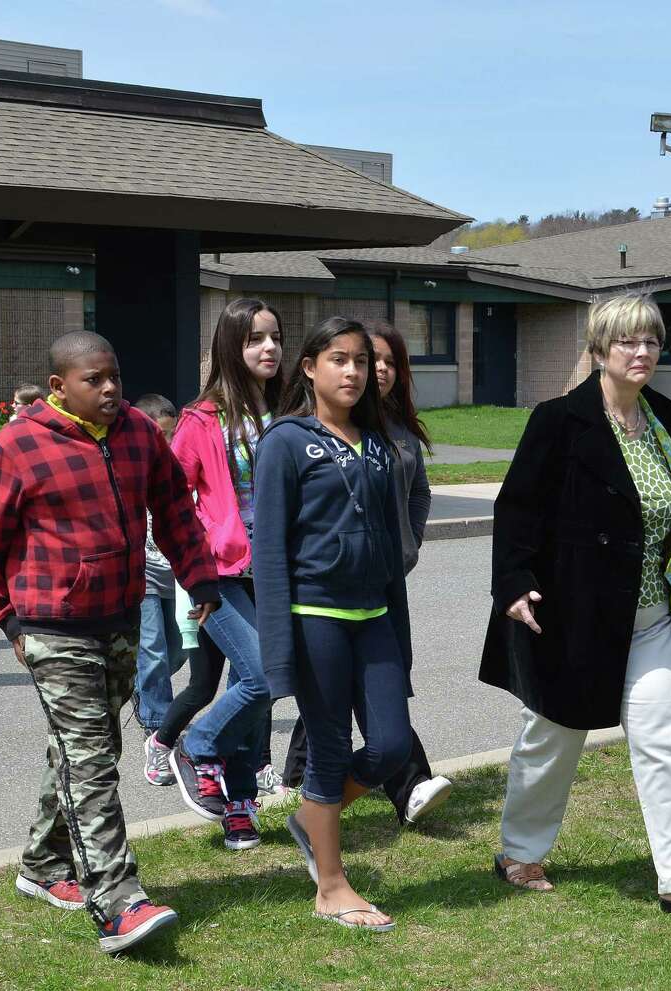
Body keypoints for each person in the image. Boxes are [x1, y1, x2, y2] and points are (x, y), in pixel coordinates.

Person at [481, 293, 671, 927]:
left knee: (663, 740)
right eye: (628, 341)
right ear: (599, 350)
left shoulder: (668, 423)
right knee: (554, 737)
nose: (643, 351)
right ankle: (519, 853)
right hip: (574, 616)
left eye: (651, 340)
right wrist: (513, 583)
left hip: (652, 615)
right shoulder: (559, 422)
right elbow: (517, 509)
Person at [0, 331, 219, 954]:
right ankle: (117, 900)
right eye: (94, 380)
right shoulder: (18, 445)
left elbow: (174, 507)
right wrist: (9, 622)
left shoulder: (137, 432)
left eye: (114, 376)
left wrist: (198, 576)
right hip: (52, 625)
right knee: (91, 758)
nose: (110, 390)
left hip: (121, 616)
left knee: (90, 745)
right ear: (59, 387)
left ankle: (40, 864)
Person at [254, 316, 412, 933]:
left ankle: (312, 820)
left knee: (392, 747)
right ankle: (332, 885)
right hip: (313, 617)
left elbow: (391, 549)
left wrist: (400, 631)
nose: (354, 371)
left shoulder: (377, 441)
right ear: (310, 367)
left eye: (362, 361)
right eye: (340, 360)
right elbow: (267, 551)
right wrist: (277, 653)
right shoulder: (285, 442)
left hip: (374, 617)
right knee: (327, 750)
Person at [281, 320, 453, 824]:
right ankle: (374, 800)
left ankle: (312, 800)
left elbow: (418, 493)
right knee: (332, 719)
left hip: (380, 583)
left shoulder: (392, 436)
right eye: (354, 358)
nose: (370, 370)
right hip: (319, 596)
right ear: (313, 368)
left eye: (381, 361)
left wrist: (407, 544)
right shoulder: (296, 437)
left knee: (378, 721)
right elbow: (277, 537)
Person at [161, 298, 283, 848]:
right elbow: (167, 501)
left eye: (275, 337)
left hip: (279, 572)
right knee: (262, 675)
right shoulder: (200, 419)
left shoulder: (289, 411)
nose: (269, 348)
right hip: (221, 572)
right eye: (255, 338)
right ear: (230, 346)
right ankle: (195, 744)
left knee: (250, 686)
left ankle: (238, 801)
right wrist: (193, 571)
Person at [130, 394, 189, 786]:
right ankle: (159, 731)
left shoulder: (181, 466)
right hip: (145, 575)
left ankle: (141, 688)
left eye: (172, 433)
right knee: (151, 650)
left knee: (178, 651)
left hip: (178, 576)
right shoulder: (135, 469)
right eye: (161, 435)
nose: (168, 441)